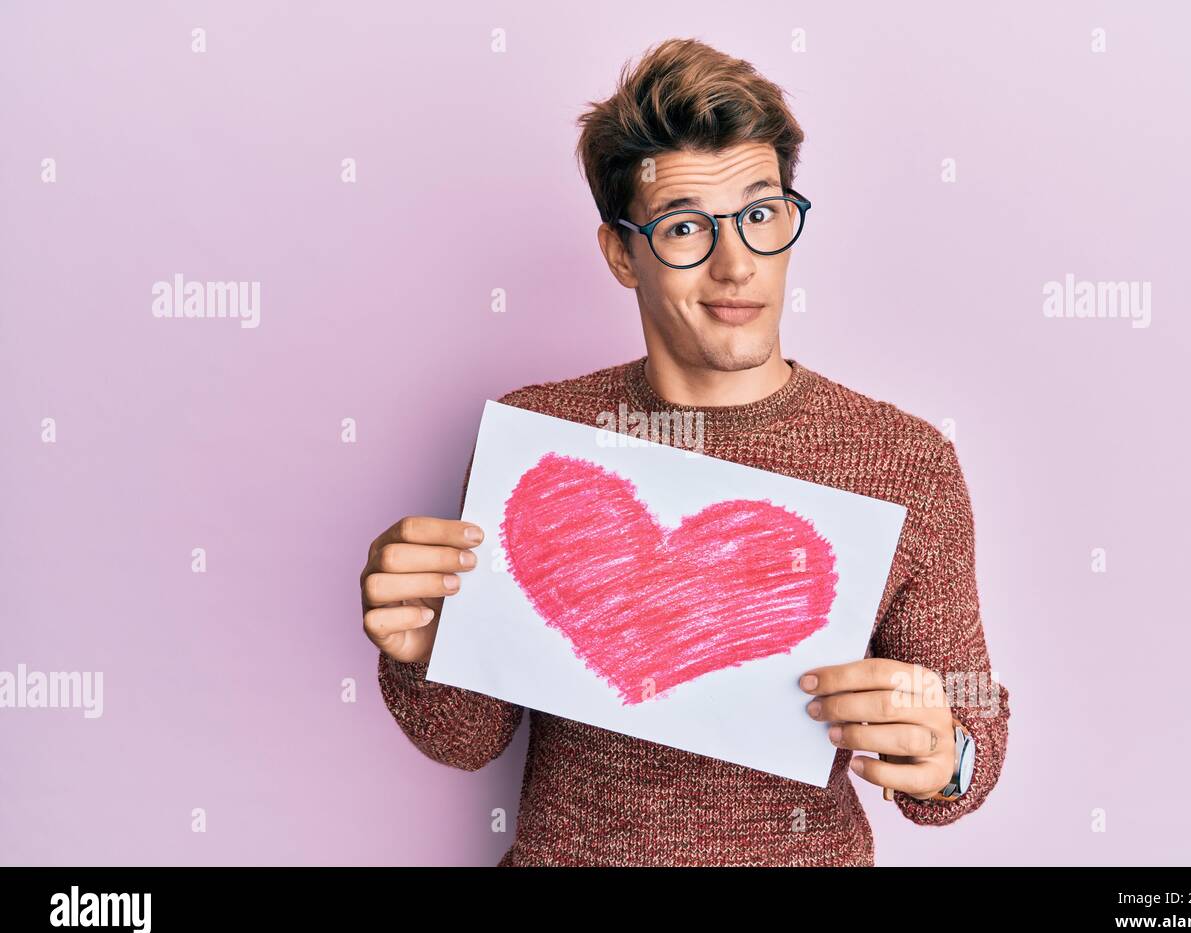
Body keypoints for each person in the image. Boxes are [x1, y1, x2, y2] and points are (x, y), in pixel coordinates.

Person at [361, 36, 1009, 866]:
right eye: (683, 228)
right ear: (622, 255)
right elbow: (466, 741)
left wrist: (947, 755)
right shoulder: (541, 443)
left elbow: (969, 712)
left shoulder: (904, 458)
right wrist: (418, 649)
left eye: (760, 214)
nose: (736, 264)